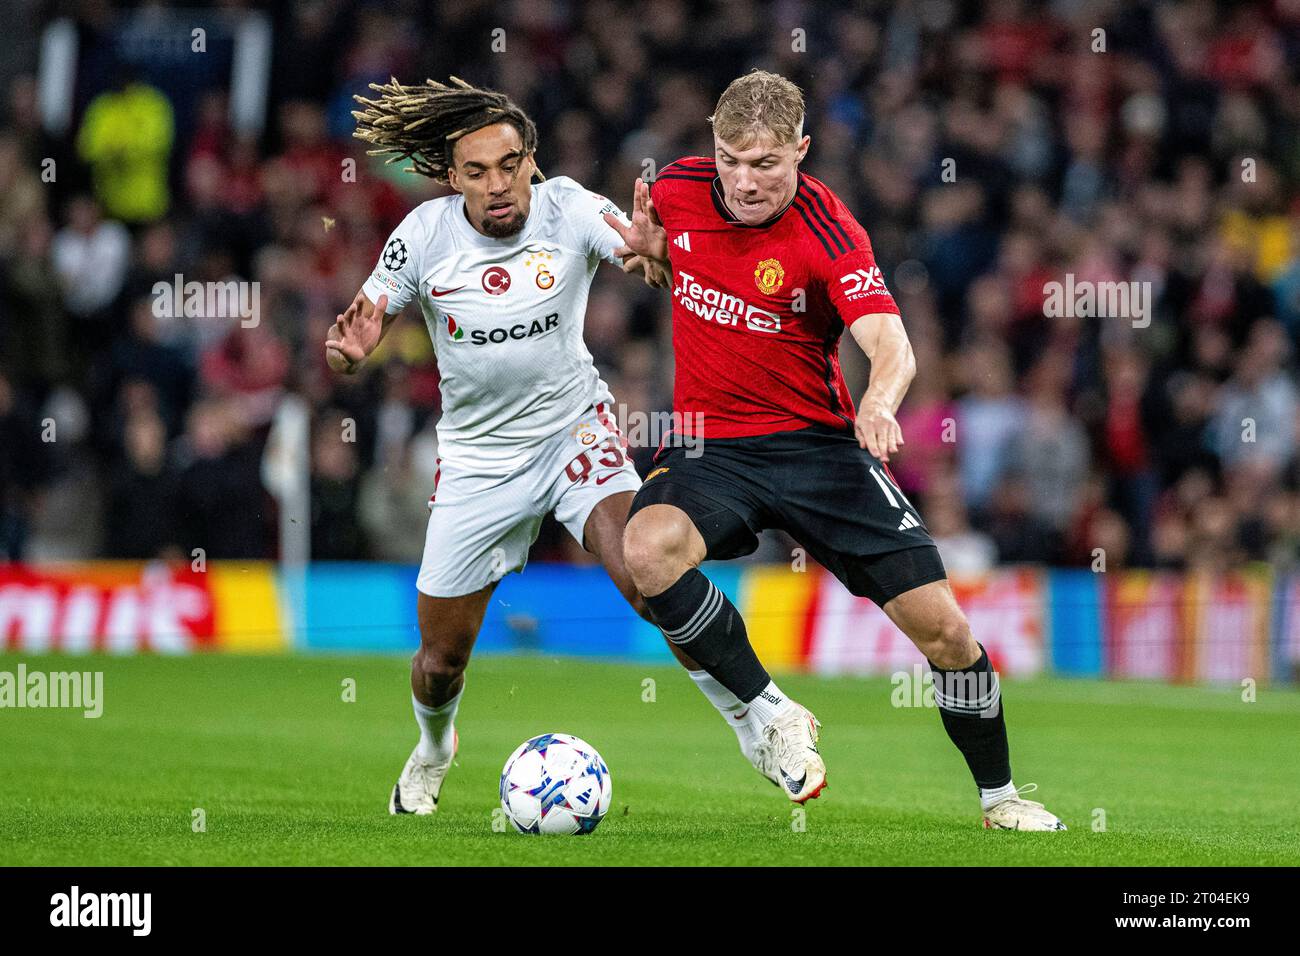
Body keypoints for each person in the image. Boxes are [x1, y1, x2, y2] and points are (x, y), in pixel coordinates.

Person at [607, 70, 1065, 829]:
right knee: (647, 551)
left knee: (947, 632)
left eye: (765, 164)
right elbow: (667, 261)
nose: (744, 182)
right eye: (730, 159)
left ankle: (1002, 799)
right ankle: (768, 715)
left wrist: (880, 404)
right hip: (711, 447)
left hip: (818, 448)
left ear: (802, 151)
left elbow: (890, 342)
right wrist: (657, 258)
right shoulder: (677, 189)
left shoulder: (831, 231)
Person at [329, 77, 780, 815]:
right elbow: (367, 319)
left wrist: (646, 253)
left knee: (647, 580)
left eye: (509, 165)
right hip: (477, 461)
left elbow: (629, 243)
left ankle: (756, 723)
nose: (497, 185)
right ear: (452, 178)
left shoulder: (567, 205)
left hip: (575, 433)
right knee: (441, 661)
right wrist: (352, 351)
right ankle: (435, 746)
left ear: (530, 159)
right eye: (476, 172)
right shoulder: (424, 235)